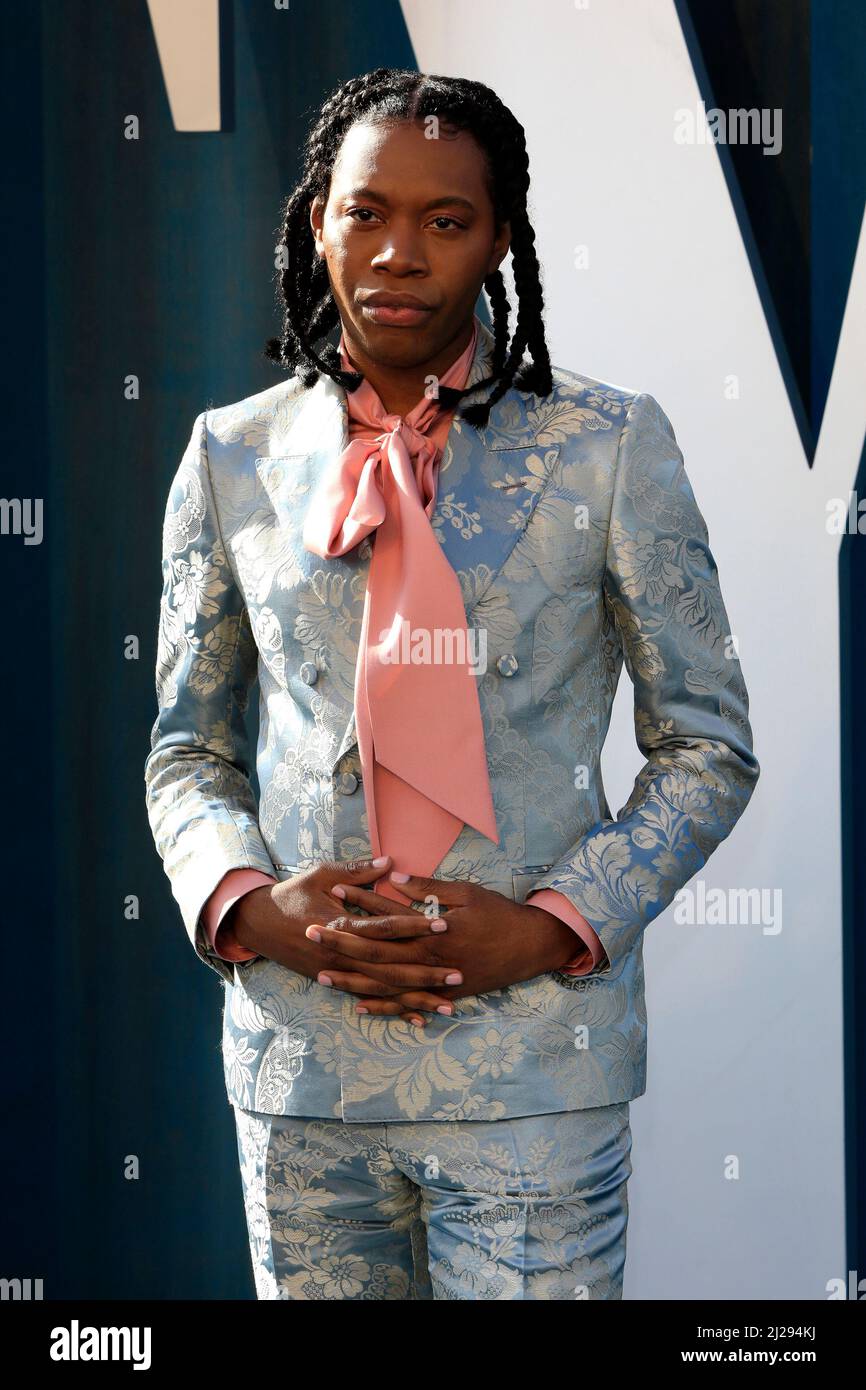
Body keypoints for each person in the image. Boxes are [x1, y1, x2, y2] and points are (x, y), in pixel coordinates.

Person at [144, 67, 760, 1301]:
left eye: (444, 220)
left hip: (535, 1060)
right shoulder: (233, 455)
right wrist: (259, 912)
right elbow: (186, 751)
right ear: (315, 221)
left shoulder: (607, 445)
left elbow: (706, 745)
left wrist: (545, 925)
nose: (397, 254)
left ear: (497, 240)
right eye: (365, 212)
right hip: (300, 1067)